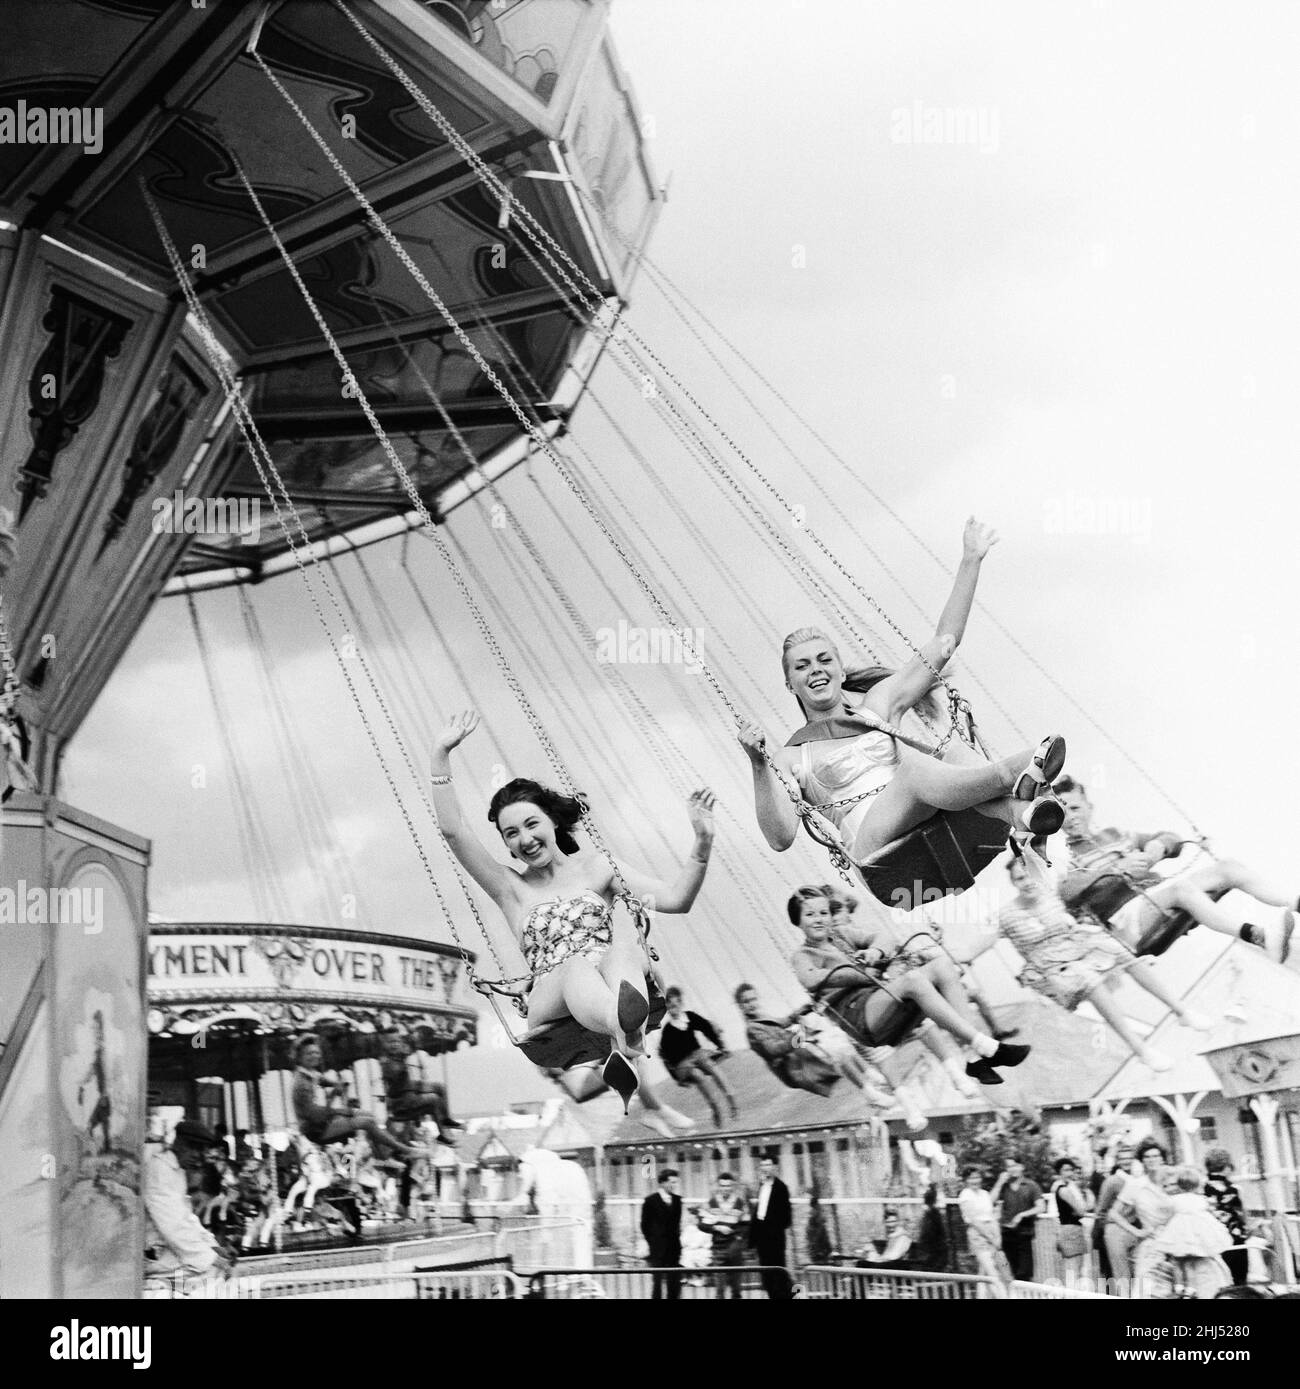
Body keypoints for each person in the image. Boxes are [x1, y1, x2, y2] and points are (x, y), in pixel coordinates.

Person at [738, 519, 1071, 896]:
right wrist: (757, 763)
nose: (815, 670)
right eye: (802, 666)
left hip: (932, 818)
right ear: (790, 683)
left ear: (838, 667)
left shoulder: (876, 706)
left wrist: (971, 560)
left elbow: (945, 643)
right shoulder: (789, 757)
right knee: (913, 768)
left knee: (953, 752)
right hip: (876, 851)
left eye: (823, 659)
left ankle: (1021, 816)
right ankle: (1015, 769)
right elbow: (780, 838)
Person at [431, 709, 716, 1108]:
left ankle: (623, 1029)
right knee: (576, 966)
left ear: (552, 821)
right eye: (511, 834)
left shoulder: (597, 868)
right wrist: (441, 754)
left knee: (625, 947)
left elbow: (675, 899)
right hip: (553, 997)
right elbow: (453, 830)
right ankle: (624, 1032)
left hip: (613, 977)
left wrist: (701, 845)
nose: (525, 839)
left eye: (532, 824)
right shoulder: (509, 888)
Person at [788, 885, 1030, 1086]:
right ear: (798, 921)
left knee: (942, 965)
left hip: (878, 998)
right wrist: (859, 973)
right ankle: (988, 1047)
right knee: (913, 979)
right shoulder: (803, 955)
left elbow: (885, 937)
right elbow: (812, 979)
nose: (819, 920)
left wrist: (875, 951)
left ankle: (974, 1056)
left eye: (823, 913)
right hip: (859, 1016)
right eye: (810, 915)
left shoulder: (841, 934)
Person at [995, 857, 1214, 1071]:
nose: (1028, 882)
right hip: (1052, 967)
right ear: (1014, 883)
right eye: (1021, 879)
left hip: (1077, 944)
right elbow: (980, 941)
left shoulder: (1054, 893)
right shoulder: (1006, 915)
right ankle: (1141, 1050)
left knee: (1123, 953)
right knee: (1089, 981)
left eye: (1031, 876)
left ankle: (1181, 1011)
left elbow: (1087, 884)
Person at [1056, 776, 1295, 963]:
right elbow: (1067, 891)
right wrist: (1117, 870)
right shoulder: (1066, 857)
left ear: (1089, 806)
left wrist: (1154, 851)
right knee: (1181, 889)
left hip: (1155, 896)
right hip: (1122, 922)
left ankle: (1297, 902)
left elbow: (1171, 838)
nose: (1069, 817)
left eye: (1075, 808)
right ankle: (1261, 936)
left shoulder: (1116, 835)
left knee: (1228, 868)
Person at [291, 1036, 416, 1159]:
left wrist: (337, 1083)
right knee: (365, 1122)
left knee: (369, 1115)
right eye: (309, 1054)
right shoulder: (302, 1083)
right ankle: (404, 1150)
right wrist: (336, 1098)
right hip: (315, 1130)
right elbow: (316, 1116)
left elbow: (323, 1080)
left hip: (322, 1121)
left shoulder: (311, 1073)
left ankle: (383, 1155)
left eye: (316, 1052)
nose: (314, 1056)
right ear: (300, 1057)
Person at [143, 1118, 233, 1283]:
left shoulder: (175, 1170)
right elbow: (173, 1226)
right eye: (194, 1148)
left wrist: (212, 1245)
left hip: (168, 1249)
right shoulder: (160, 1170)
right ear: (179, 1143)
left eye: (202, 1150)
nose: (198, 1157)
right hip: (156, 1253)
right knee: (214, 1272)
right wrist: (209, 1258)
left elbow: (187, 1217)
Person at [734, 983, 840, 1096]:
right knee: (833, 1077)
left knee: (835, 1067)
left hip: (799, 1060)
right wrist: (797, 1038)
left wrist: (804, 1009)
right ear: (740, 1006)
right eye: (746, 1001)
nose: (752, 1004)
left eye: (753, 999)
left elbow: (784, 1022)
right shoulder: (752, 1030)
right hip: (793, 1069)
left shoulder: (761, 1018)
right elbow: (773, 1049)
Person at [657, 987, 738, 1128]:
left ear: (680, 1004)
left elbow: (706, 1027)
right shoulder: (668, 1031)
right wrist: (678, 1078)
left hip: (697, 1055)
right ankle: (716, 1109)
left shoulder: (689, 1017)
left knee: (709, 1065)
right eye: (669, 1007)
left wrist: (720, 1045)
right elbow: (667, 1059)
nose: (672, 1009)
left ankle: (731, 1100)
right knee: (698, 1075)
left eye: (675, 1005)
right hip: (682, 1064)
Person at [1150, 1166, 1233, 1299]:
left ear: (1179, 1186)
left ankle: (1179, 1287)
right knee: (1190, 1264)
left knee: (1177, 1261)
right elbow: (1208, 1215)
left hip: (1179, 1234)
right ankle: (1190, 1288)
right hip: (1195, 1237)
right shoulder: (1201, 1200)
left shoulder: (1175, 1200)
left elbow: (1165, 1215)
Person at [1110, 1139, 1176, 1299]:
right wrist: (1137, 1232)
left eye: (1156, 1156)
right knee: (1147, 1290)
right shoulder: (1136, 1185)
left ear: (1162, 1158)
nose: (1152, 1160)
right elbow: (1114, 1213)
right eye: (1147, 1157)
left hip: (1176, 1241)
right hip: (1151, 1244)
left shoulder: (1173, 1180)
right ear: (1142, 1160)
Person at [380, 1029, 460, 1143]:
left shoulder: (397, 1056)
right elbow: (397, 1085)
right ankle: (443, 1133)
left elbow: (409, 1049)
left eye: (397, 1041)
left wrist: (412, 1040)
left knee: (440, 1087)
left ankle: (446, 1122)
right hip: (402, 1101)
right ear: (384, 1044)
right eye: (391, 1042)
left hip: (407, 1090)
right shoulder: (387, 1062)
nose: (395, 1045)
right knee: (434, 1099)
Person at [701, 1172, 751, 1299]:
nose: (725, 1188)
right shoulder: (711, 1203)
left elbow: (746, 1224)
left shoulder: (740, 1203)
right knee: (719, 1289)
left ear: (733, 1186)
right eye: (722, 1186)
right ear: (718, 1186)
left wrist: (738, 1238)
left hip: (735, 1248)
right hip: (718, 1248)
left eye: (728, 1186)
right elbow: (702, 1224)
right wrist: (716, 1227)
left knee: (736, 1289)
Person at [992, 1157, 1043, 1282]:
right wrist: (999, 1183)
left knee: (1024, 1272)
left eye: (1015, 1165)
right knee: (1011, 1272)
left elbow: (1041, 1207)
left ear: (1022, 1167)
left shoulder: (1031, 1185)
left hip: (1024, 1232)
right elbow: (989, 1202)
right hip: (1007, 1233)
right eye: (1009, 1167)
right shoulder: (1004, 1186)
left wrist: (1022, 1215)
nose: (1012, 1169)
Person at [1203, 1149, 1249, 1285]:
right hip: (1236, 1239)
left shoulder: (1202, 1190)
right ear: (1227, 1167)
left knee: (1220, 1281)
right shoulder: (1235, 1190)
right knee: (1239, 1279)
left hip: (1213, 1241)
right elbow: (1243, 1216)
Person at [750, 1154, 793, 1298]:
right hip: (762, 1238)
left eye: (768, 1165)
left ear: (775, 1167)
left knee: (778, 1273)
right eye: (763, 1165)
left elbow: (786, 1218)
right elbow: (759, 1213)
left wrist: (773, 1229)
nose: (765, 1168)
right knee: (766, 1274)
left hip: (775, 1238)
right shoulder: (762, 1186)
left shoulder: (781, 1188)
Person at [956, 1165, 1005, 1294]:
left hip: (991, 1231)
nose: (975, 1181)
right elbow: (973, 1220)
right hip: (978, 1234)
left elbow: (992, 1215)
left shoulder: (984, 1194)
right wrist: (990, 1237)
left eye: (977, 1177)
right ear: (966, 1180)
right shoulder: (965, 1195)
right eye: (971, 1178)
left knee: (984, 1273)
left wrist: (997, 1236)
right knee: (992, 1272)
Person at [640, 1168, 683, 1300]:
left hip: (673, 1247)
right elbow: (644, 1225)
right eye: (671, 1182)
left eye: (675, 1182)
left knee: (674, 1282)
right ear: (662, 1183)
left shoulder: (677, 1200)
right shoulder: (650, 1201)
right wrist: (653, 1241)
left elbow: (676, 1223)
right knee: (657, 1282)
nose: (673, 1185)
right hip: (657, 1247)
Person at [1050, 1157, 1093, 1285]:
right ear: (1059, 1172)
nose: (1069, 1173)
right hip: (1070, 1230)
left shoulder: (1065, 1188)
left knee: (1075, 1270)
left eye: (1071, 1170)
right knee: (1073, 1271)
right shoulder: (1064, 1189)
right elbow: (1081, 1210)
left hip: (1072, 1229)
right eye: (1066, 1170)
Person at [912, 1183, 950, 1272]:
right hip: (933, 1258)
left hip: (931, 1255)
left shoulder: (930, 1214)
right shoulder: (934, 1215)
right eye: (940, 1199)